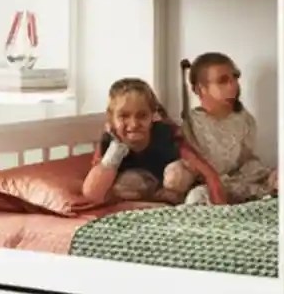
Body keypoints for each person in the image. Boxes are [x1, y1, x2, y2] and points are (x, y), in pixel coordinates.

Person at [82, 77, 225, 206]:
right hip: (148, 194)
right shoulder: (109, 143)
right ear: (111, 119)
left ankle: (185, 205)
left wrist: (220, 204)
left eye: (142, 116)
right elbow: (92, 193)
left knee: (176, 176)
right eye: (124, 116)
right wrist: (116, 150)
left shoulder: (166, 134)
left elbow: (206, 171)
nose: (134, 124)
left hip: (178, 190)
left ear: (152, 116)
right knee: (123, 184)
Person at [180, 53, 277, 204]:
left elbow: (245, 161)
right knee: (196, 195)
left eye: (234, 79)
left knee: (282, 179)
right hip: (207, 185)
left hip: (242, 180)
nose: (233, 86)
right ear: (200, 89)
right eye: (223, 81)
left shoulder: (245, 120)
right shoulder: (191, 124)